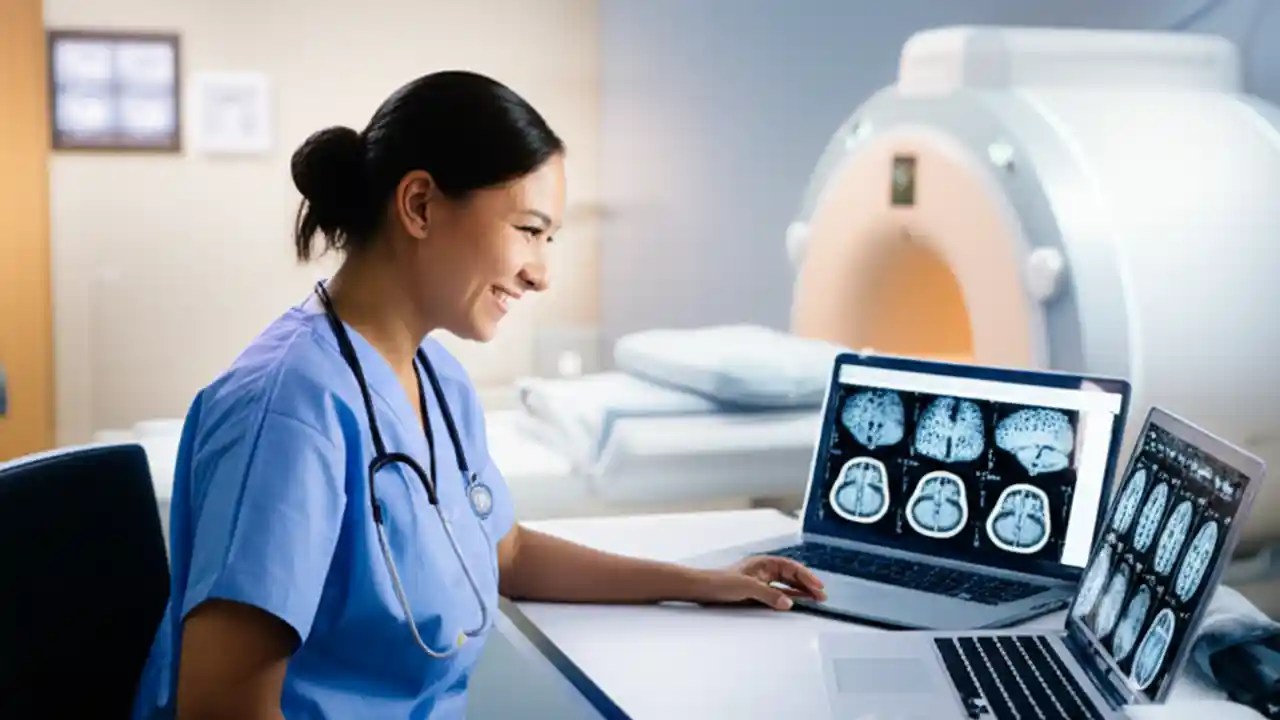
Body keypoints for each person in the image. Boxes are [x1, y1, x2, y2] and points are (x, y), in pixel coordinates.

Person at [130, 70, 825, 720]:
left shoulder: (439, 380)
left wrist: (700, 581)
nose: (541, 274)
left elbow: (506, 553)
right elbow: (219, 709)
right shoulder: (288, 413)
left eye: (550, 238)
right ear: (420, 205)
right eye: (528, 231)